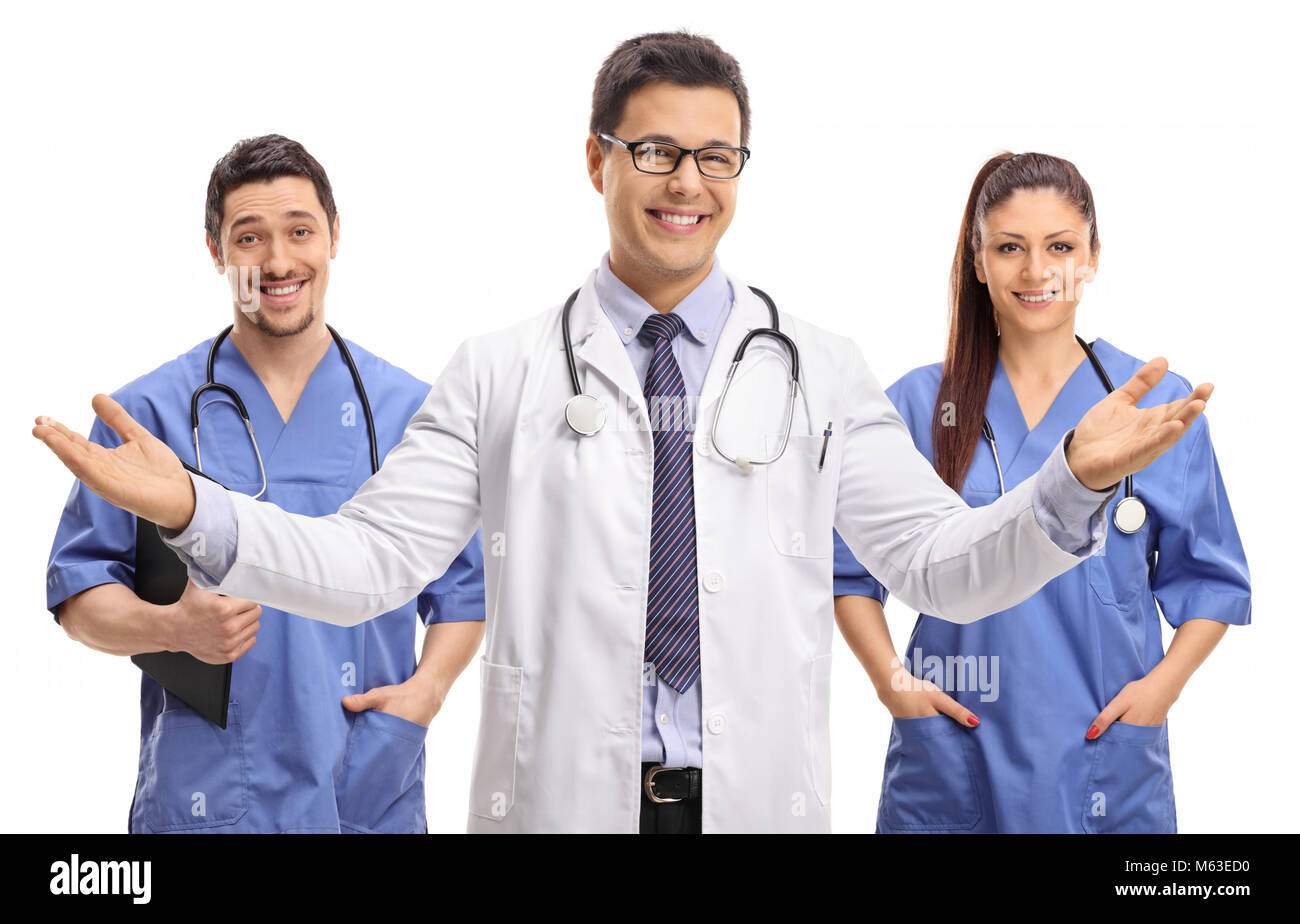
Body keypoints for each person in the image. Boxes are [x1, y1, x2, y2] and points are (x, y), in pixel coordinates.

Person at [34, 35, 1213, 834]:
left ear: (739, 170)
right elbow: (369, 568)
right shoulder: (497, 371)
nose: (683, 180)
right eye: (653, 150)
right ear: (596, 159)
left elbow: (944, 570)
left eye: (714, 155)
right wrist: (193, 510)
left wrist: (1064, 481)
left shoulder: (821, 369)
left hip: (751, 803)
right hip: (563, 804)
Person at [43, 135, 486, 833]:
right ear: (217, 252)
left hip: (364, 783)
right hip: (210, 789)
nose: (278, 263)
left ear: (334, 236)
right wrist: (171, 629)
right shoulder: (149, 416)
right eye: (249, 238)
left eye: (300, 232)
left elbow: (464, 591)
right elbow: (77, 594)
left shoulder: (412, 412)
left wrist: (425, 694)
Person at [832, 152, 1250, 833]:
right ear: (978, 261)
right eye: (1009, 248)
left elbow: (1210, 581)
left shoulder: (1155, 406)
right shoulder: (918, 405)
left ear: (1091, 258)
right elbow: (848, 570)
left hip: (1103, 750)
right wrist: (890, 682)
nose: (1036, 272)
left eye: (1060, 246)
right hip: (955, 747)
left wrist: (1160, 692)